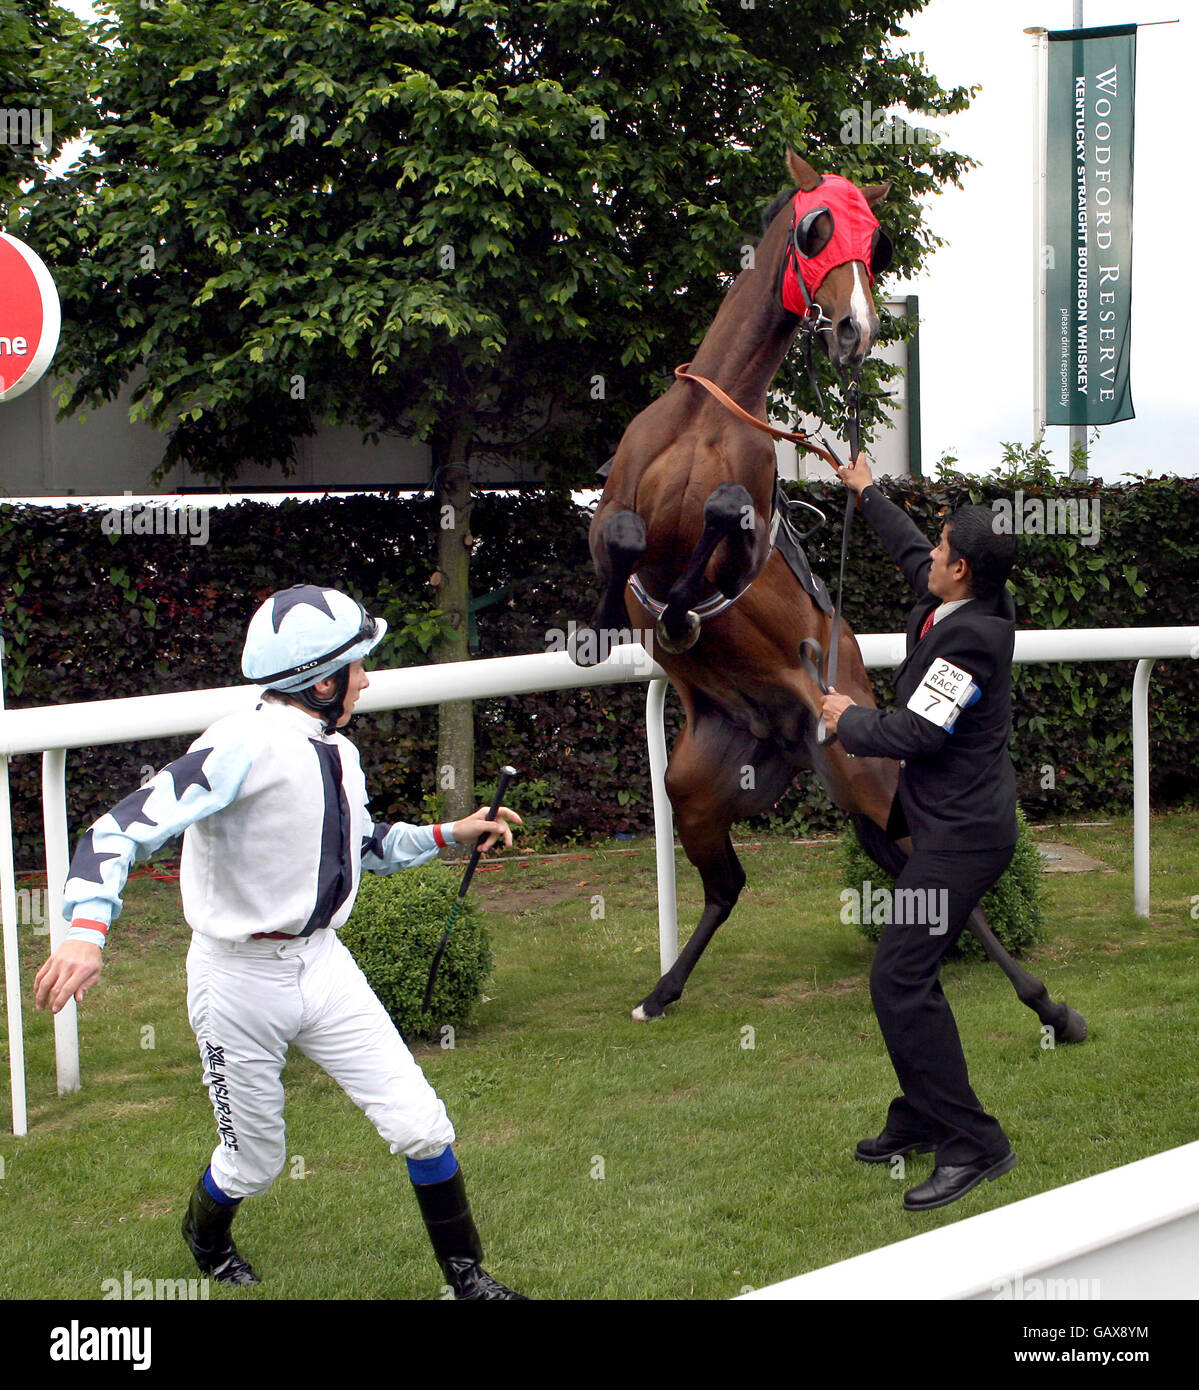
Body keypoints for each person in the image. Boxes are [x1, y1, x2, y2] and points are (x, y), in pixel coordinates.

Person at [34, 584, 526, 1298]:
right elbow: (114, 831)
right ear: (320, 680)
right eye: (357, 666)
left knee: (422, 1125)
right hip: (236, 980)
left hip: (325, 966)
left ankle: (467, 1281)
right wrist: (85, 932)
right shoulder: (238, 745)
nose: (367, 678)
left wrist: (451, 833)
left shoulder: (338, 750)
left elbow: (362, 845)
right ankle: (205, 1235)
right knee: (256, 1163)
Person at [820, 456, 1019, 1212]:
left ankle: (974, 1142)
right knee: (907, 975)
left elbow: (917, 731)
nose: (927, 558)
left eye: (940, 552)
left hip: (963, 838)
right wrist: (865, 490)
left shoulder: (972, 640)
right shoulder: (963, 599)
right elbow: (910, 551)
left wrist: (846, 720)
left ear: (960, 569)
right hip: (948, 829)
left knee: (898, 977)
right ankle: (920, 1114)